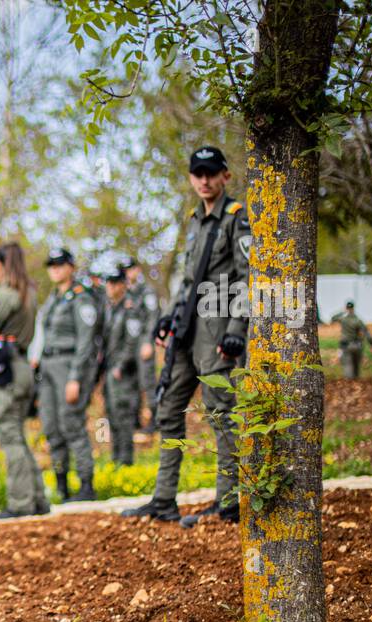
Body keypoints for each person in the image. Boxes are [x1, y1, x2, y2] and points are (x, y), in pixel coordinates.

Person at [122, 146, 252, 528]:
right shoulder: (193, 221)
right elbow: (188, 281)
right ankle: (164, 500)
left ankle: (227, 504)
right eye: (198, 173)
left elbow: (248, 279)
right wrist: (168, 316)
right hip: (186, 331)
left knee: (220, 414)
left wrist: (235, 332)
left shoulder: (235, 218)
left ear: (225, 176)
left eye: (211, 173)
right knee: (169, 410)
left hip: (216, 332)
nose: (204, 180)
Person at [0, 243, 50, 519]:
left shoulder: (6, 294)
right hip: (22, 365)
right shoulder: (29, 293)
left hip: (5, 368)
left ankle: (20, 503)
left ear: (2, 265)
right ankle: (38, 499)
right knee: (18, 435)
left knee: (10, 436)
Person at [34, 247, 101, 502]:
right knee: (51, 427)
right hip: (49, 365)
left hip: (69, 364)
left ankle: (86, 486)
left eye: (60, 265)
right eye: (51, 265)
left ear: (71, 267)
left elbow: (86, 342)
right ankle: (62, 487)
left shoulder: (81, 297)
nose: (55, 269)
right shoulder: (53, 297)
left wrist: (75, 377)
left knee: (71, 423)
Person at [101, 264, 144, 466]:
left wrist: (120, 366)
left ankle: (126, 461)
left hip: (124, 373)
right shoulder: (110, 309)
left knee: (124, 416)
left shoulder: (130, 309)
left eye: (114, 282)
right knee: (112, 415)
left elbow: (132, 341)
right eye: (108, 282)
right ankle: (116, 458)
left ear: (122, 285)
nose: (110, 286)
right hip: (109, 370)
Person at [122, 256, 161, 431]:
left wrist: (148, 342)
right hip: (129, 345)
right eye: (125, 270)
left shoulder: (146, 291)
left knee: (148, 382)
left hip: (143, 342)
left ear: (137, 270)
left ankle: (156, 419)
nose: (128, 273)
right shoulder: (123, 292)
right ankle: (134, 419)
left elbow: (153, 317)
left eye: (130, 269)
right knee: (131, 382)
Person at [331, 300, 372, 379]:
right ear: (353, 308)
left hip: (346, 346)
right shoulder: (358, 320)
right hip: (357, 346)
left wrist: (342, 311)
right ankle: (357, 382)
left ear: (346, 308)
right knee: (356, 367)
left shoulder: (343, 319)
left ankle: (349, 383)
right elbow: (366, 332)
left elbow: (333, 318)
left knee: (347, 366)